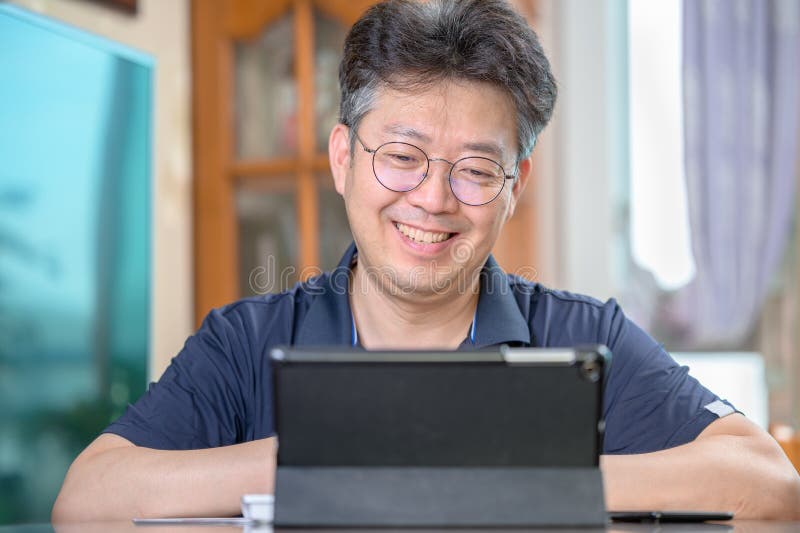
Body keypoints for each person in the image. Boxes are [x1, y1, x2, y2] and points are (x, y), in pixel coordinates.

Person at [52, 0, 800, 522]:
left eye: (475, 170)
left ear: (516, 187)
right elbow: (87, 499)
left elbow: (769, 484)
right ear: (342, 158)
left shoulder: (580, 339)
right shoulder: (245, 342)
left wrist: (517, 479)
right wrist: (326, 460)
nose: (433, 199)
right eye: (403, 157)